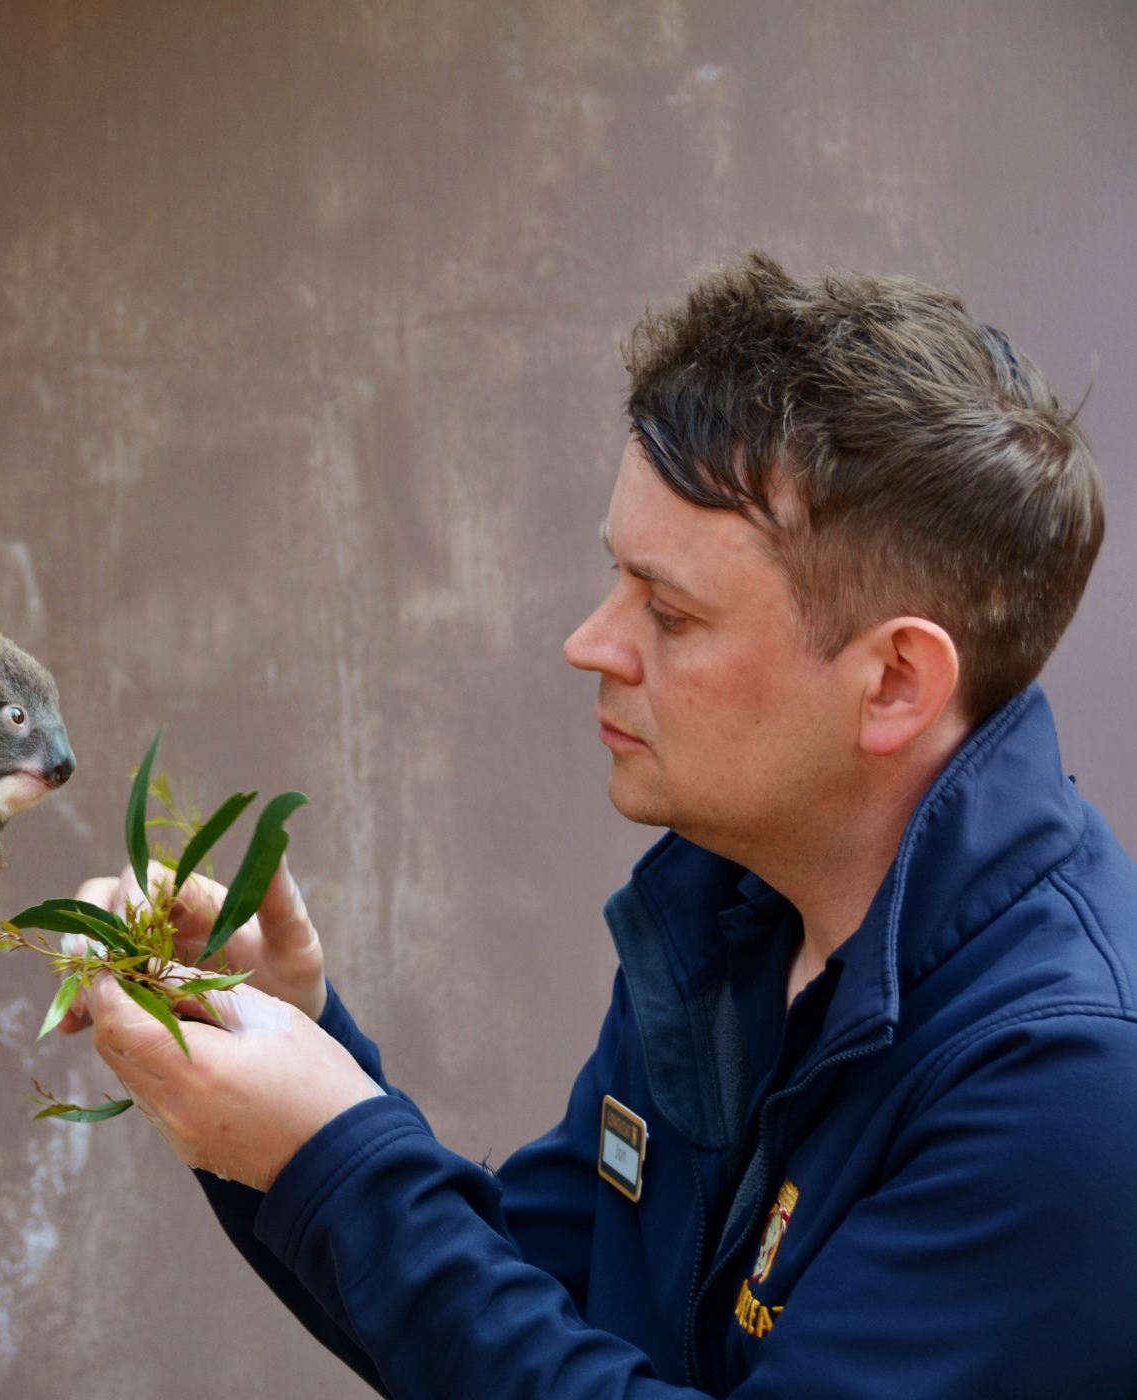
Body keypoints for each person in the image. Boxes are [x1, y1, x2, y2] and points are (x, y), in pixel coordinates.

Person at [63, 254, 1137, 1396]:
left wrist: (332, 1151)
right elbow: (524, 1312)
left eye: (669, 611)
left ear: (894, 683)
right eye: (615, 579)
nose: (592, 640)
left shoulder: (1070, 1080)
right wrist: (289, 1060)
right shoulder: (731, 917)